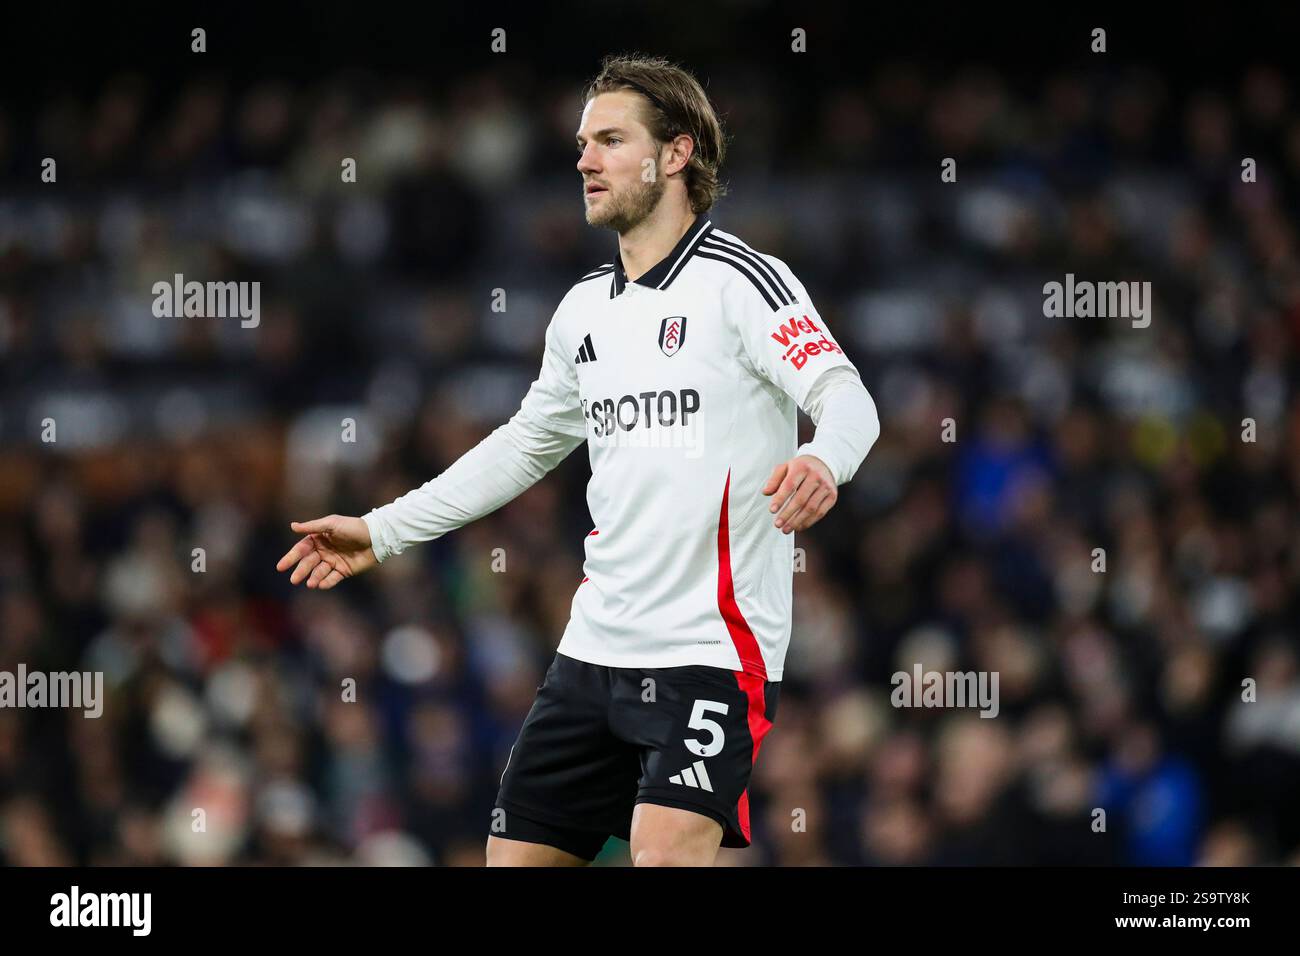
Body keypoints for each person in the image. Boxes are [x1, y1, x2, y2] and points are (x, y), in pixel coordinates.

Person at [276, 53, 880, 866]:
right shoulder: (582, 312)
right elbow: (526, 445)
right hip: (593, 651)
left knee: (662, 854)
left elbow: (846, 395)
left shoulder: (743, 283)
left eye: (610, 140)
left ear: (676, 154)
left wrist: (823, 461)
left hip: (708, 651)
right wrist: (382, 533)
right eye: (582, 142)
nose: (584, 160)